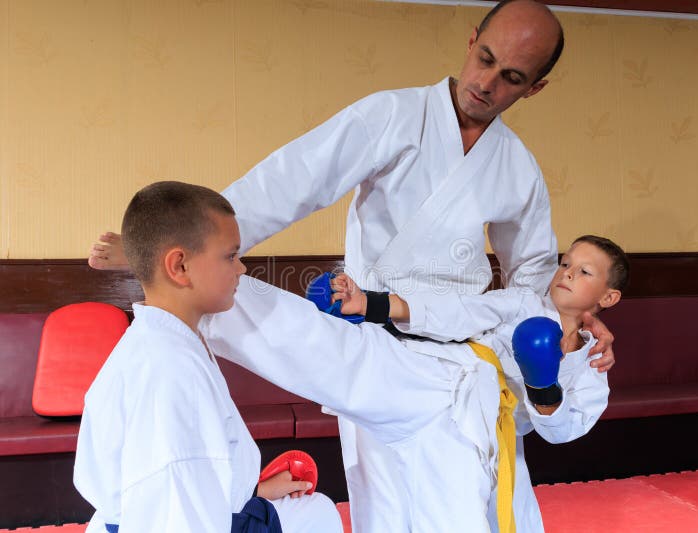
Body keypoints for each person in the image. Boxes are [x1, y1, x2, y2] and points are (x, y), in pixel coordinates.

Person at [88, 0, 619, 529]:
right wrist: (174, 245)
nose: (486, 83)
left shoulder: (517, 168)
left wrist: (575, 325)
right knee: (384, 507)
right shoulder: (392, 116)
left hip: (459, 360)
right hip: (370, 342)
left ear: (534, 88)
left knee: (465, 509)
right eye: (485, 58)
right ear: (471, 39)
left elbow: (535, 282)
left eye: (511, 78)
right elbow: (294, 179)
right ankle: (165, 260)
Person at [198, 234, 629, 532]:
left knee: (455, 520)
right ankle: (199, 293)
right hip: (434, 376)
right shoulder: (521, 302)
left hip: (473, 434)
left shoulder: (593, 363)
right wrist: (370, 304)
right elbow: (456, 312)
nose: (567, 273)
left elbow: (564, 430)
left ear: (608, 297)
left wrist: (543, 386)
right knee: (324, 345)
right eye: (565, 263)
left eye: (584, 272)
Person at [74, 182, 343, 533]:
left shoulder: (162, 340)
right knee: (317, 516)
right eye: (230, 256)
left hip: (167, 511)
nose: (241, 269)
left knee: (314, 508)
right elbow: (178, 513)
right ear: (180, 266)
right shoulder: (171, 372)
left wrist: (253, 491)